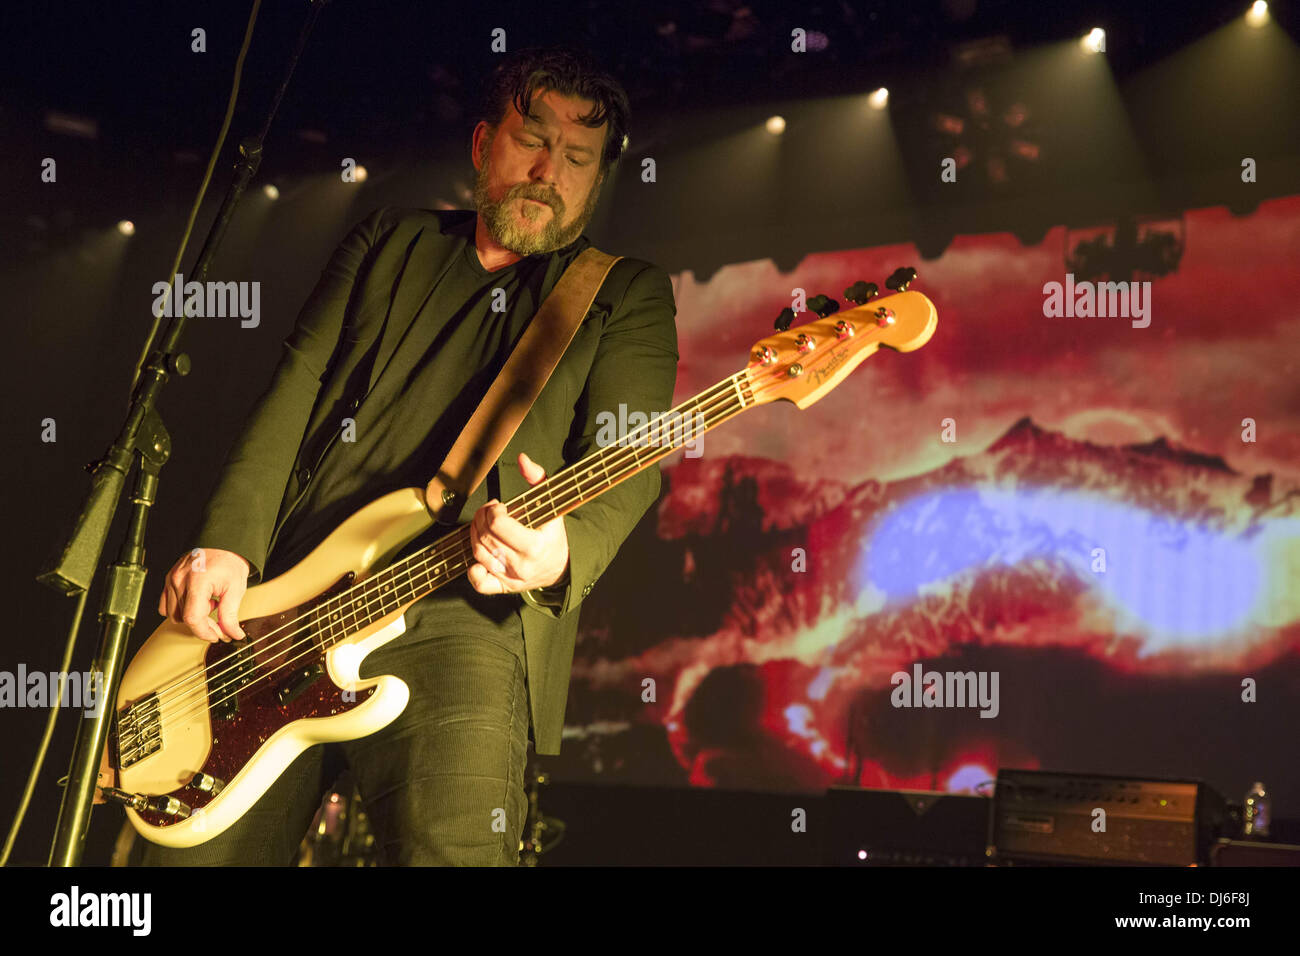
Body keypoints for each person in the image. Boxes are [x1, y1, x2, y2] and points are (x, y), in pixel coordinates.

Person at [137, 45, 679, 866]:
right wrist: (229, 544)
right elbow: (290, 394)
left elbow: (631, 452)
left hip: (462, 611)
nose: (548, 169)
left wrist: (562, 549)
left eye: (577, 157)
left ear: (598, 179)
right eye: (531, 140)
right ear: (480, 144)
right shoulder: (389, 241)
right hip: (284, 605)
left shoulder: (622, 291)